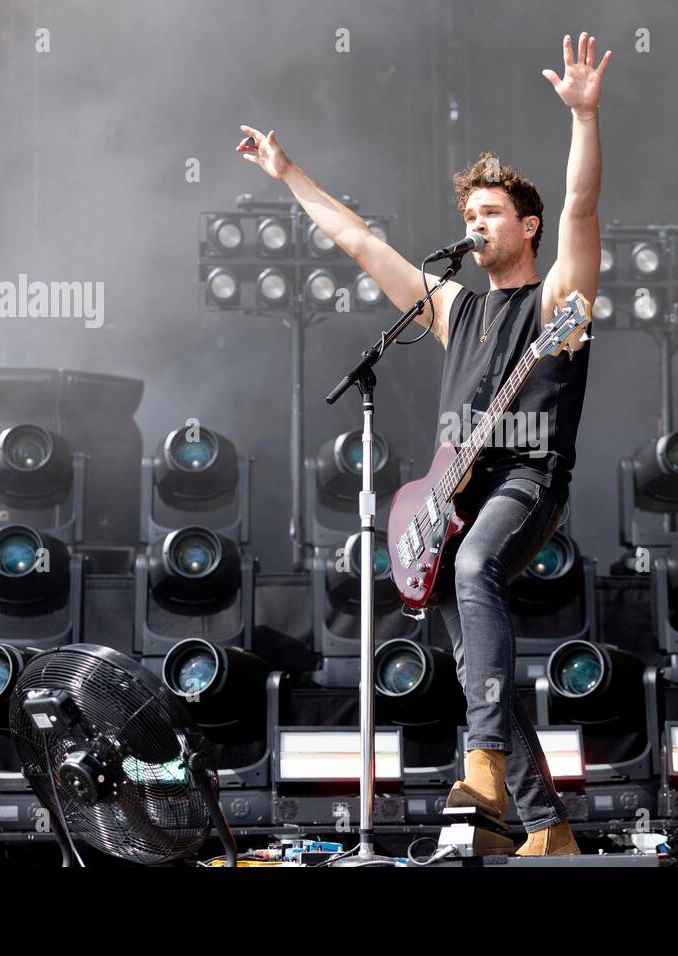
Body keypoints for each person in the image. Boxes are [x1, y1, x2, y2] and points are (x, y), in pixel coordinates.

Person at [238, 31, 610, 856]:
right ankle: (548, 828)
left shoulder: (556, 301)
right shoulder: (453, 307)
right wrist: (289, 174)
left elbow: (583, 211)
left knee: (477, 570)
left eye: (489, 214)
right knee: (470, 636)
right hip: (449, 499)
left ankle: (479, 763)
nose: (475, 225)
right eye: (467, 216)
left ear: (526, 225)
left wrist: (584, 117)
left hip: (527, 479)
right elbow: (361, 244)